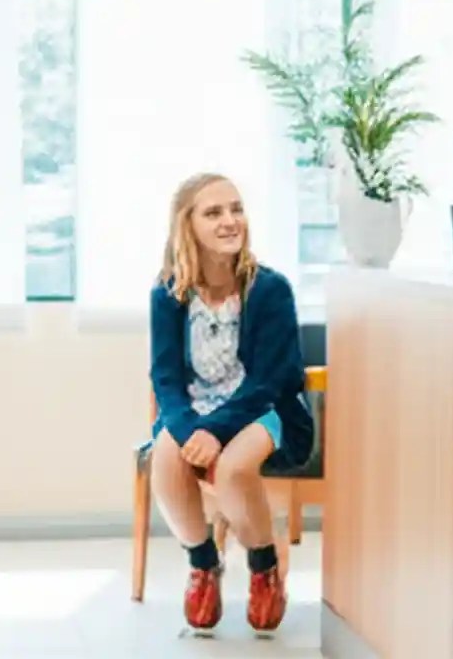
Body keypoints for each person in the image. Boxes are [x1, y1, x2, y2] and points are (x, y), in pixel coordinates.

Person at [147, 172, 314, 633]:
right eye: (214, 212)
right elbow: (164, 378)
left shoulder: (270, 289)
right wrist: (184, 429)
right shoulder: (167, 293)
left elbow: (271, 381)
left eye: (236, 209)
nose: (230, 221)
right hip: (196, 410)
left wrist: (214, 430)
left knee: (233, 468)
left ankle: (264, 568)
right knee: (165, 457)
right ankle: (203, 564)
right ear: (188, 226)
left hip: (264, 408)